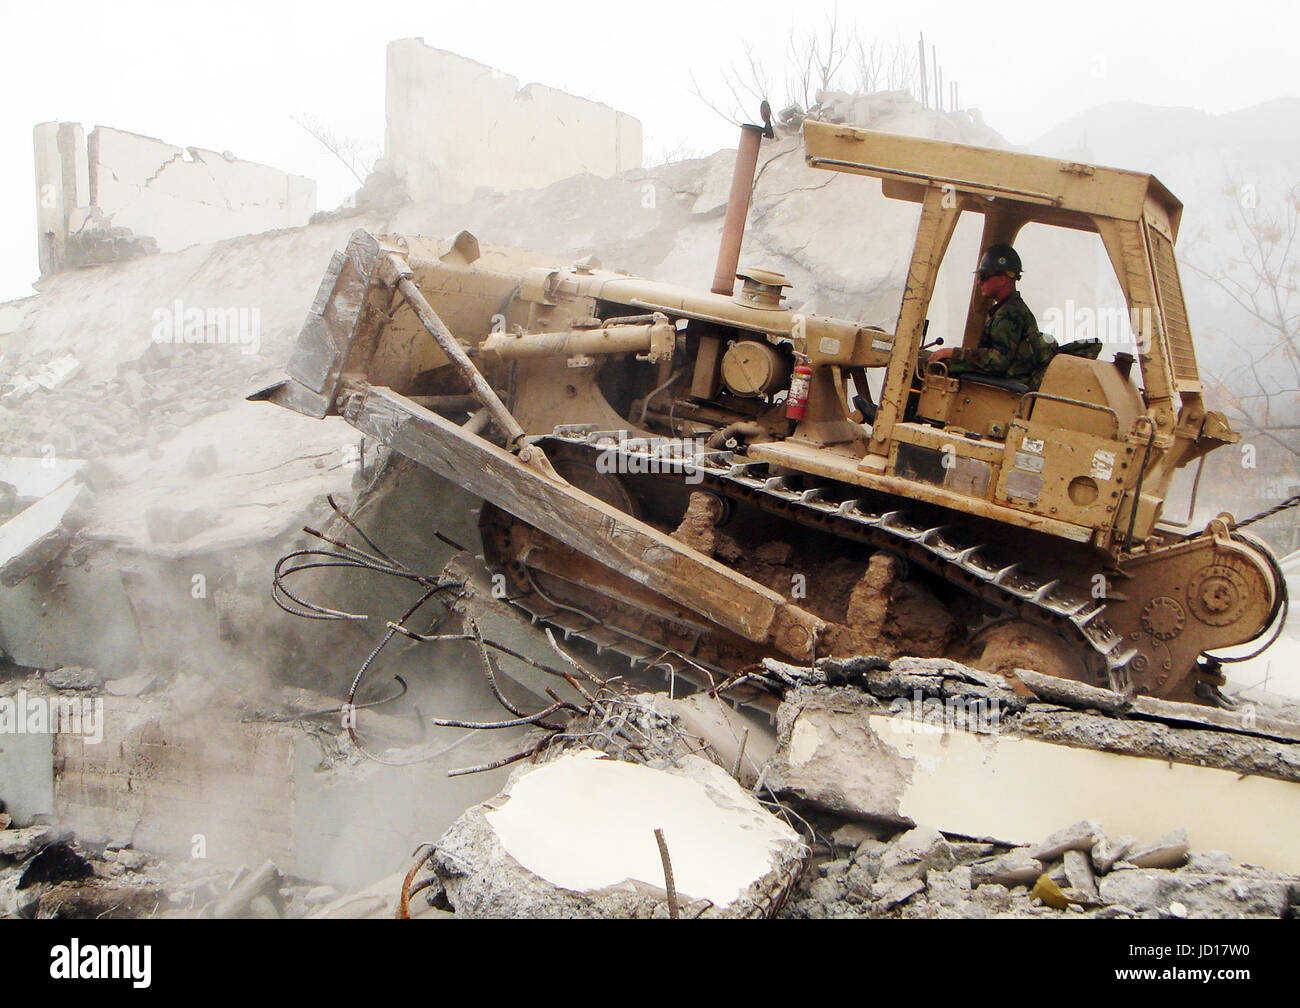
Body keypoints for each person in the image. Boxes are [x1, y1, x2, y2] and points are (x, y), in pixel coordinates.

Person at [930, 243, 1057, 390]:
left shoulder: (1009, 314)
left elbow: (998, 362)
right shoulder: (1009, 309)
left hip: (1004, 392)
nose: (979, 282)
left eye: (984, 276)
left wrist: (953, 353)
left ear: (1003, 279)